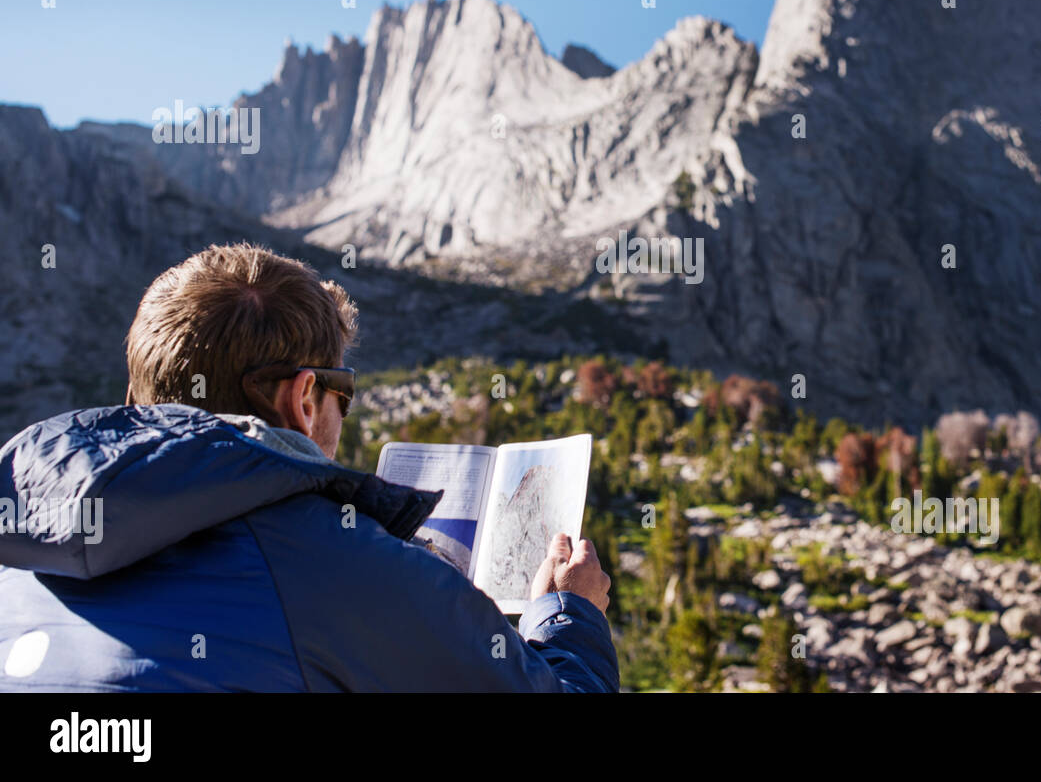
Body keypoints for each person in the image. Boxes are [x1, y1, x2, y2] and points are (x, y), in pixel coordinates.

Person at [0, 243, 617, 691]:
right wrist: (572, 617)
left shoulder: (22, 547)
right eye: (340, 395)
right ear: (302, 401)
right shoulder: (350, 571)